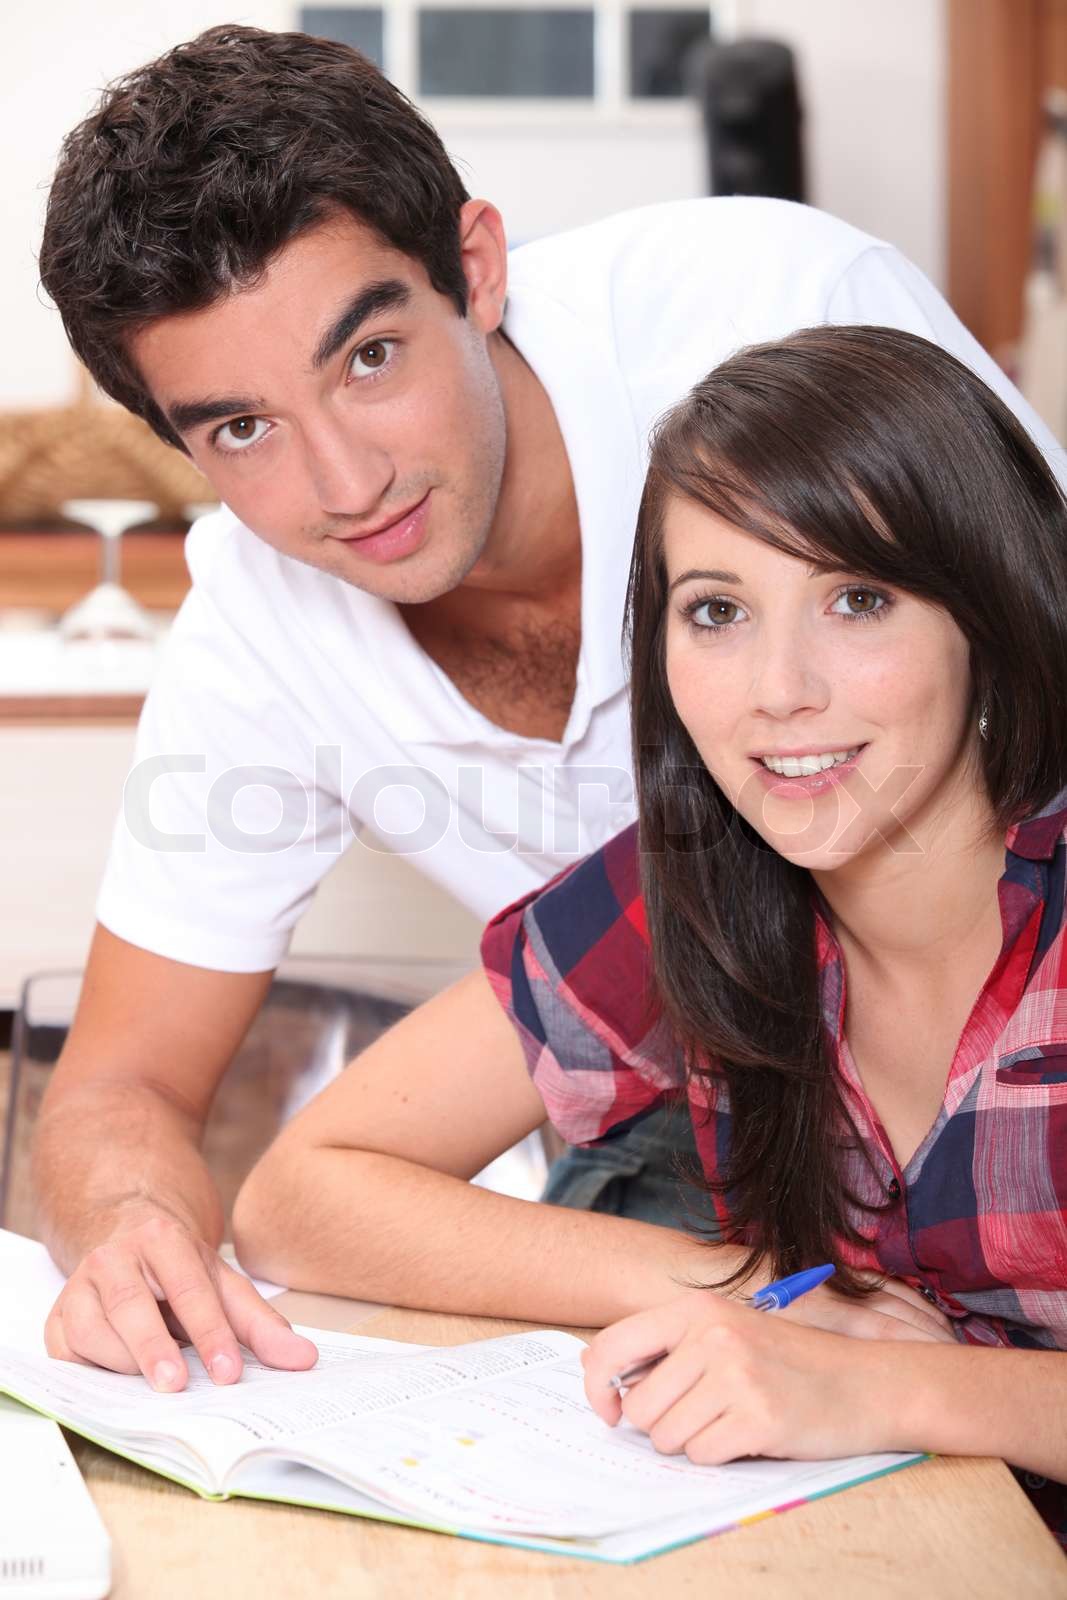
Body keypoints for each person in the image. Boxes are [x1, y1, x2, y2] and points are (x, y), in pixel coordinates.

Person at [34, 23, 1064, 1390]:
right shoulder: (666, 878)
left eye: (369, 358)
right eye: (241, 428)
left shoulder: (780, 311)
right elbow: (131, 1092)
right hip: (689, 1108)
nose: (343, 482)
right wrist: (131, 1229)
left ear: (476, 268)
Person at [231, 326, 1067, 1530]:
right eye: (717, 610)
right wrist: (759, 1286)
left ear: (985, 618)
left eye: (857, 599)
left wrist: (892, 1385)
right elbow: (298, 1195)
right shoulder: (692, 882)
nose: (778, 687)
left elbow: (879, 1385)